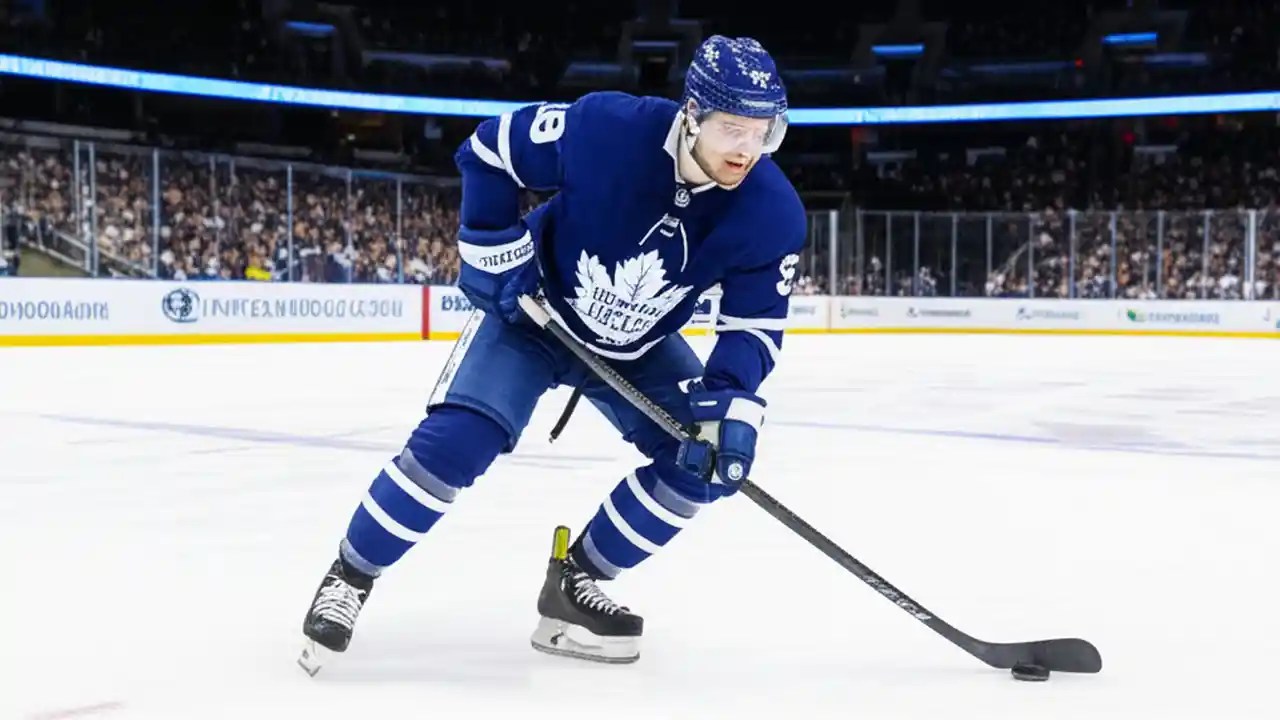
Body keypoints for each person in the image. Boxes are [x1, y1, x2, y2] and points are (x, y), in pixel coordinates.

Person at [298, 35, 806, 674]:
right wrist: (492, 248)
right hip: (532, 313)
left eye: (764, 133)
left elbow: (753, 326)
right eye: (733, 128)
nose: (747, 149)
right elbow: (488, 150)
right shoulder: (607, 129)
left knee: (697, 465)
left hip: (640, 347)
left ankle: (575, 584)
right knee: (457, 443)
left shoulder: (772, 213)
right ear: (692, 113)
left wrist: (729, 402)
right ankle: (350, 575)